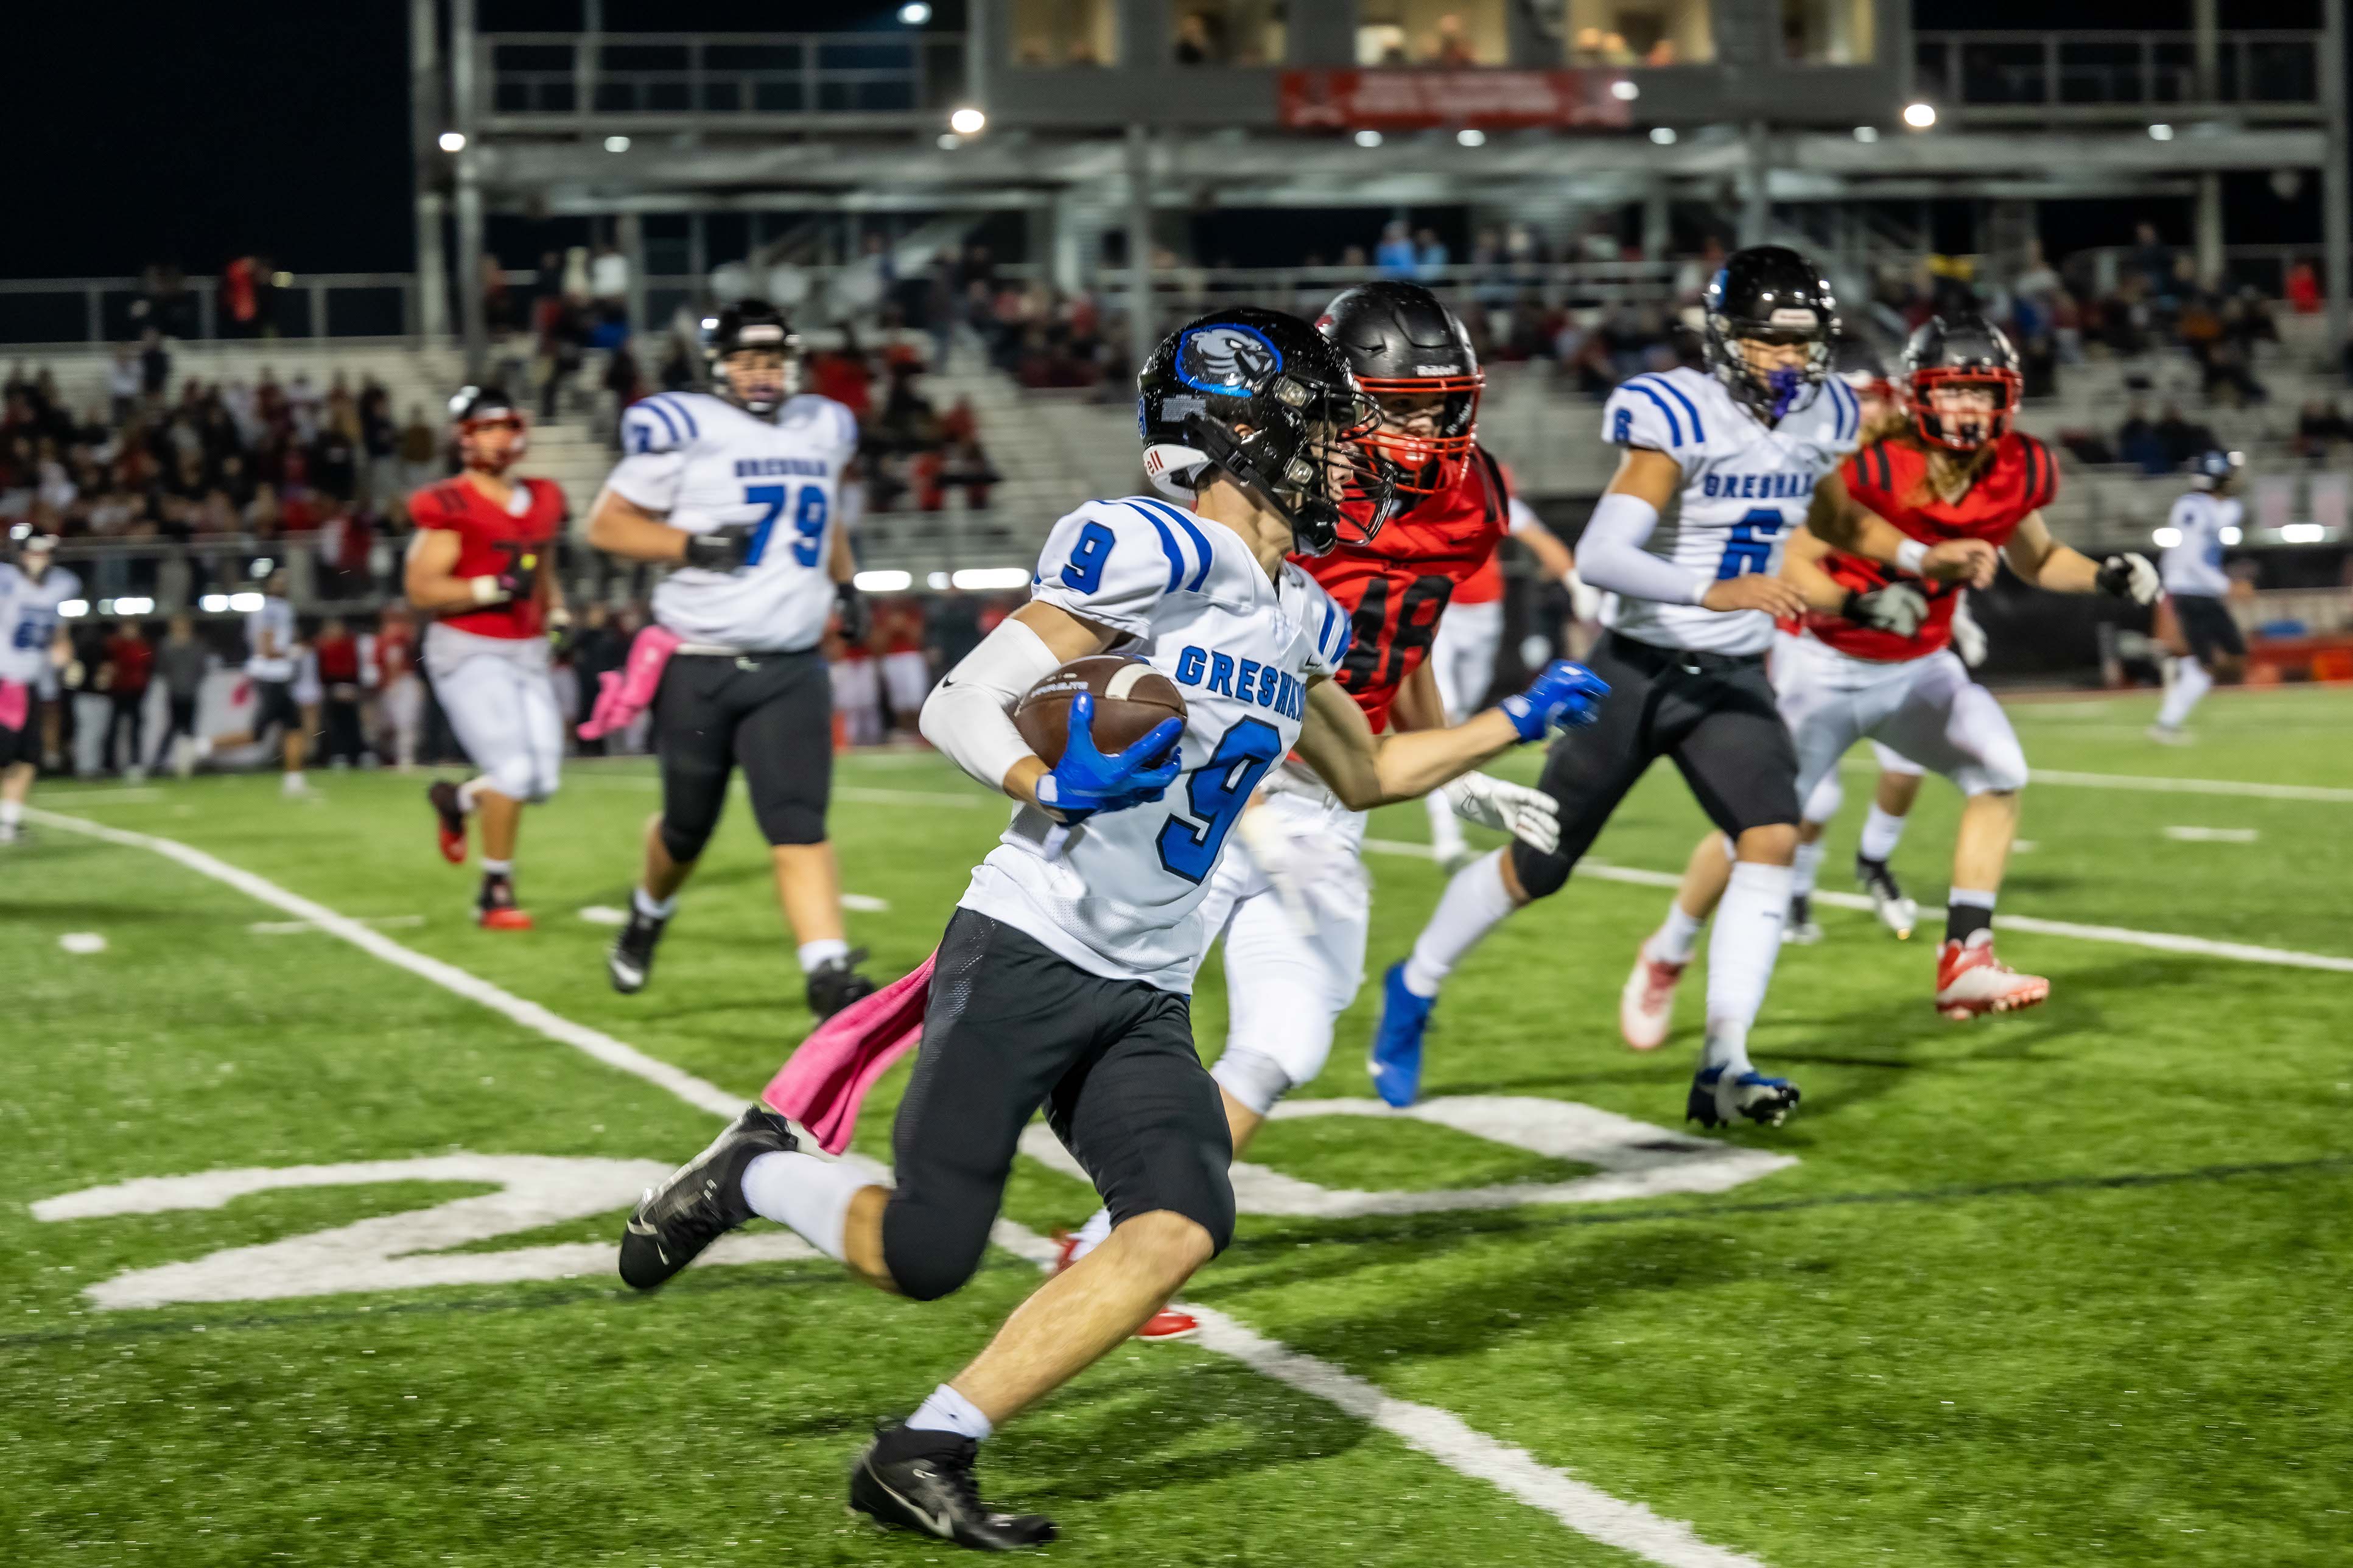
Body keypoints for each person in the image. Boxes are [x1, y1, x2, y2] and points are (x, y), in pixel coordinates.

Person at [612, 307, 1607, 1549]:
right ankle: (753, 1169)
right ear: (1244, 437)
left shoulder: (1306, 616)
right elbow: (962, 700)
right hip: (1030, 947)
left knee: (1181, 1221)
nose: (1350, 457)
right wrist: (1046, 784)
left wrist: (1519, 720)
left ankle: (925, 1448)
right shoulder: (1147, 549)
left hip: (1144, 986)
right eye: (1324, 429)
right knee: (926, 1253)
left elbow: (1367, 777)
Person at [1057, 282, 1573, 1341]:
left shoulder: (1473, 498)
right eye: (1400, 407)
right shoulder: (1271, 492)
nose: (1429, 432)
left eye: (1443, 408)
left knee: (1290, 1029)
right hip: (1218, 777)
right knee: (1092, 983)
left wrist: (1445, 762)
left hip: (1333, 785)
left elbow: (1406, 639)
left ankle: (1115, 1237)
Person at [1367, 247, 1979, 1128]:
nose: (1791, 361)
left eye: (1804, 345)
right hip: (1635, 665)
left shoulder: (1829, 413)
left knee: (1770, 836)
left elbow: (1832, 510)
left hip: (1729, 676)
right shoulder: (1677, 412)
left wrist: (1921, 557)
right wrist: (1710, 589)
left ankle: (1724, 1060)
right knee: (1539, 865)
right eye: (1771, 342)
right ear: (1729, 340)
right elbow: (1603, 556)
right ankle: (1415, 982)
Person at [1646, 314, 2161, 1027]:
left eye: (1981, 393)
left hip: (1918, 666)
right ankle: (1667, 950)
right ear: (1917, 395)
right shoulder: (1871, 463)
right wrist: (1861, 601)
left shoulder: (2018, 464)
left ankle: (1965, 958)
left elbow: (2036, 559)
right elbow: (1790, 560)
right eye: (1952, 392)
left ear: (2007, 398)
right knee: (1756, 830)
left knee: (2000, 770)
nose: (1967, 409)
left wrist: (2106, 575)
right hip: (1819, 665)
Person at [587, 299, 877, 1016]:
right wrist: (687, 546)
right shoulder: (686, 427)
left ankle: (826, 968)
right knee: (686, 827)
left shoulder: (823, 424)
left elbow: (826, 511)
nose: (761, 373)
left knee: (797, 820)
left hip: (789, 663)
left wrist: (846, 582)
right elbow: (606, 524)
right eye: (747, 360)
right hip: (699, 661)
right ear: (718, 366)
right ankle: (647, 913)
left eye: (772, 359)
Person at [407, 387, 571, 929]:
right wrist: (489, 588)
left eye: (505, 425)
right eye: (486, 427)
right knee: (515, 771)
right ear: (466, 437)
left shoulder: (543, 497)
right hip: (468, 646)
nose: (499, 437)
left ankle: (458, 798)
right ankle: (495, 890)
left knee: (542, 780)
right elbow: (422, 588)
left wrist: (558, 611)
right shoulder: (450, 503)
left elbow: (542, 567)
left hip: (525, 649)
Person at [1421, 492, 1577, 870]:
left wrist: (1578, 586)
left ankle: (1454, 793)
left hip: (1485, 614)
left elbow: (1546, 545)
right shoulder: (1419, 490)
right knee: (1444, 716)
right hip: (1437, 608)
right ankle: (1447, 835)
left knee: (1460, 722)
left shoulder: (1490, 494)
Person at [2149, 448, 2246, 744]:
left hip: (2195, 591)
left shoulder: (2208, 506)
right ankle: (2167, 723)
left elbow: (2230, 510)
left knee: (2228, 657)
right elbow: (2189, 557)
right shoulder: (2194, 507)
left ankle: (2181, 680)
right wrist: (2224, 586)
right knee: (2220, 660)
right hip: (2193, 592)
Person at [0, 526, 77, 844]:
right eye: (32, 551)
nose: (38, 558)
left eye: (43, 552)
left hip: (30, 681)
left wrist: (67, 657)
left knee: (29, 757)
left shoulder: (61, 585)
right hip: (4, 680)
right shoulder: (5, 581)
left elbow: (57, 632)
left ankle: (8, 823)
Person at [205, 569, 310, 795]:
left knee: (294, 726)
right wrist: (293, 652)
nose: (283, 584)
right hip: (272, 676)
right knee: (258, 734)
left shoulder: (271, 608)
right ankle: (202, 746)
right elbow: (267, 649)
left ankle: (294, 780)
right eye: (278, 580)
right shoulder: (273, 609)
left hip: (276, 676)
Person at [150, 614, 211, 777]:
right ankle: (159, 763)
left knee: (190, 729)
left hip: (191, 692)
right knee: (173, 727)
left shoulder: (197, 645)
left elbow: (202, 668)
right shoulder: (167, 645)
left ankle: (188, 764)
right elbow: (162, 668)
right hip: (174, 692)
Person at [99, 618, 154, 780]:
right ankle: (108, 764)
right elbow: (110, 664)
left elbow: (145, 662)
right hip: (118, 692)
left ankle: (135, 763)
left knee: (135, 730)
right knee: (113, 729)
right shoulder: (115, 645)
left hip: (136, 693)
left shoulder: (141, 646)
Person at [370, 604, 423, 771]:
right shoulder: (386, 635)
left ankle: (405, 758)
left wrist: (393, 682)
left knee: (405, 722)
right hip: (389, 682)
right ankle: (391, 757)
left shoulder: (400, 632)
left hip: (402, 681)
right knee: (387, 725)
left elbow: (396, 659)